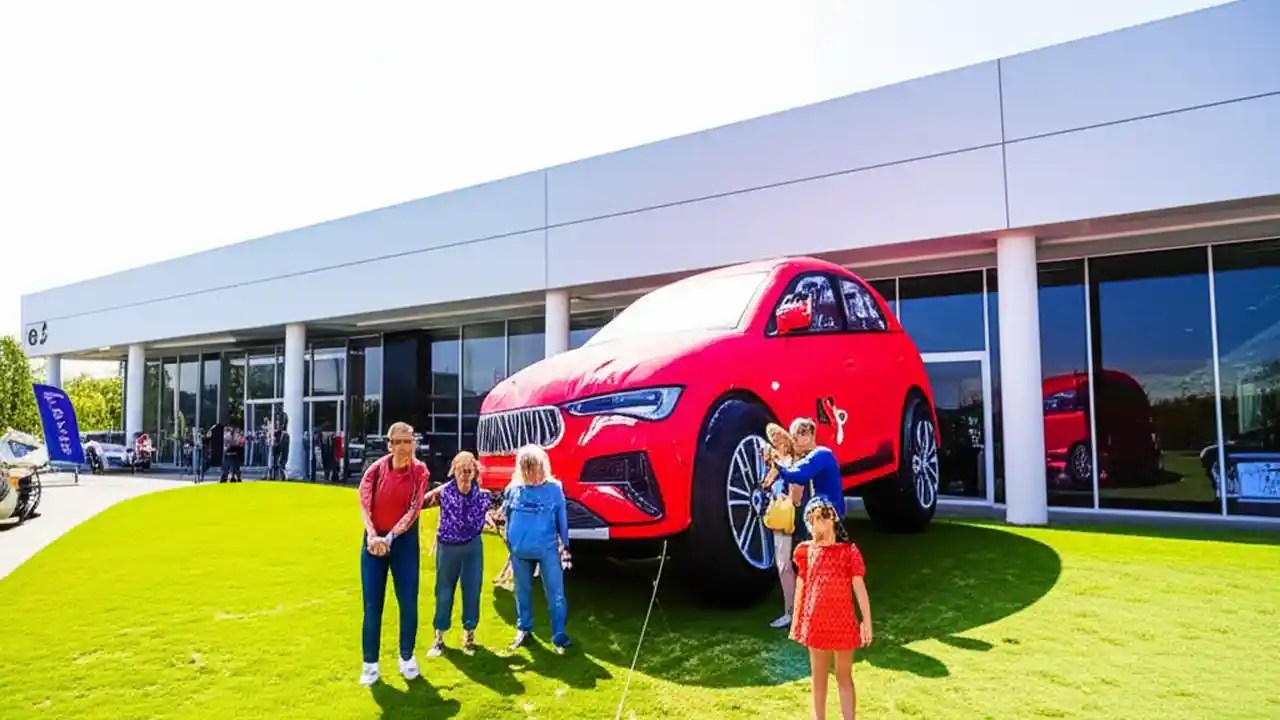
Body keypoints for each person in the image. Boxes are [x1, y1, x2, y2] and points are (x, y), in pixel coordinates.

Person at [357, 421, 429, 687]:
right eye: (397, 442)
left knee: (408, 602)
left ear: (413, 443)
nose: (402, 447)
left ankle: (407, 658)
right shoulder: (374, 471)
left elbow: (414, 508)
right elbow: (364, 504)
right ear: (389, 444)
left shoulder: (420, 471)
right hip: (374, 542)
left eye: (407, 441)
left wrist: (390, 538)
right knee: (372, 605)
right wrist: (374, 536)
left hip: (403, 542)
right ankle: (370, 664)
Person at [790, 496, 873, 720]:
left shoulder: (848, 552)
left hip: (844, 623)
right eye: (813, 519)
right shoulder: (806, 552)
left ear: (833, 518)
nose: (818, 523)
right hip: (815, 624)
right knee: (819, 678)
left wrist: (866, 621)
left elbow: (859, 586)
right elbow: (802, 586)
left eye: (822, 517)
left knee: (844, 676)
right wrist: (798, 621)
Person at [501, 444, 572, 653]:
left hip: (547, 550)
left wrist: (564, 546)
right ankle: (524, 629)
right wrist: (509, 542)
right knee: (521, 592)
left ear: (543, 466)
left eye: (535, 466)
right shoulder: (513, 490)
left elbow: (562, 521)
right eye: (527, 467)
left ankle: (559, 636)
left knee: (555, 594)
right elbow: (508, 518)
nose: (532, 472)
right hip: (519, 552)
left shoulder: (554, 489)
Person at [421, 451, 491, 656]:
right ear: (454, 470)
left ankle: (469, 636)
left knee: (472, 590)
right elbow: (417, 505)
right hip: (447, 547)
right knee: (443, 592)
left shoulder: (483, 495)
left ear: (475, 472)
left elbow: (502, 512)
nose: (465, 475)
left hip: (472, 548)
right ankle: (439, 638)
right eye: (461, 470)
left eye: (469, 470)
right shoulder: (443, 492)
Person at [767, 417, 844, 543]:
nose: (793, 442)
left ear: (808, 435)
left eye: (795, 438)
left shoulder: (821, 455)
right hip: (821, 515)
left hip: (825, 517)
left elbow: (799, 473)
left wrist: (779, 468)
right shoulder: (815, 456)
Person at [760, 423, 799, 629]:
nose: (774, 444)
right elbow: (764, 486)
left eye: (776, 440)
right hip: (780, 521)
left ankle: (793, 612)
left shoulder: (792, 465)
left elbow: (795, 495)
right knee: (783, 566)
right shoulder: (777, 468)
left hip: (789, 521)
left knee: (787, 566)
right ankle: (791, 611)